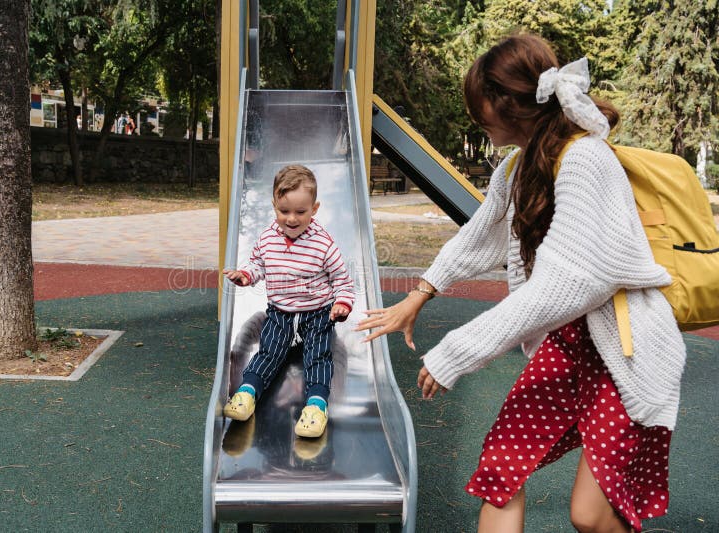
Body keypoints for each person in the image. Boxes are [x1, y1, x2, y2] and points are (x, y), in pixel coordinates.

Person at [356, 34, 685, 533]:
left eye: (480, 104)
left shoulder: (585, 161)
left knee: (590, 516)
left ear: (508, 102)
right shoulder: (517, 167)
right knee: (501, 471)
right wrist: (418, 295)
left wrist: (458, 351)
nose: (476, 115)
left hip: (625, 349)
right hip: (567, 344)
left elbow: (562, 285)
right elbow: (478, 239)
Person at [223, 164, 355, 439]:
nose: (291, 219)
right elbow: (258, 264)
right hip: (280, 313)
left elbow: (343, 280)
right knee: (268, 353)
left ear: (315, 209)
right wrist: (246, 276)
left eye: (300, 212)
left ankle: (316, 406)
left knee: (318, 357)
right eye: (284, 211)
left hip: (317, 314)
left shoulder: (323, 244)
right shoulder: (268, 238)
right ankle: (247, 393)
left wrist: (342, 304)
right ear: (274, 206)